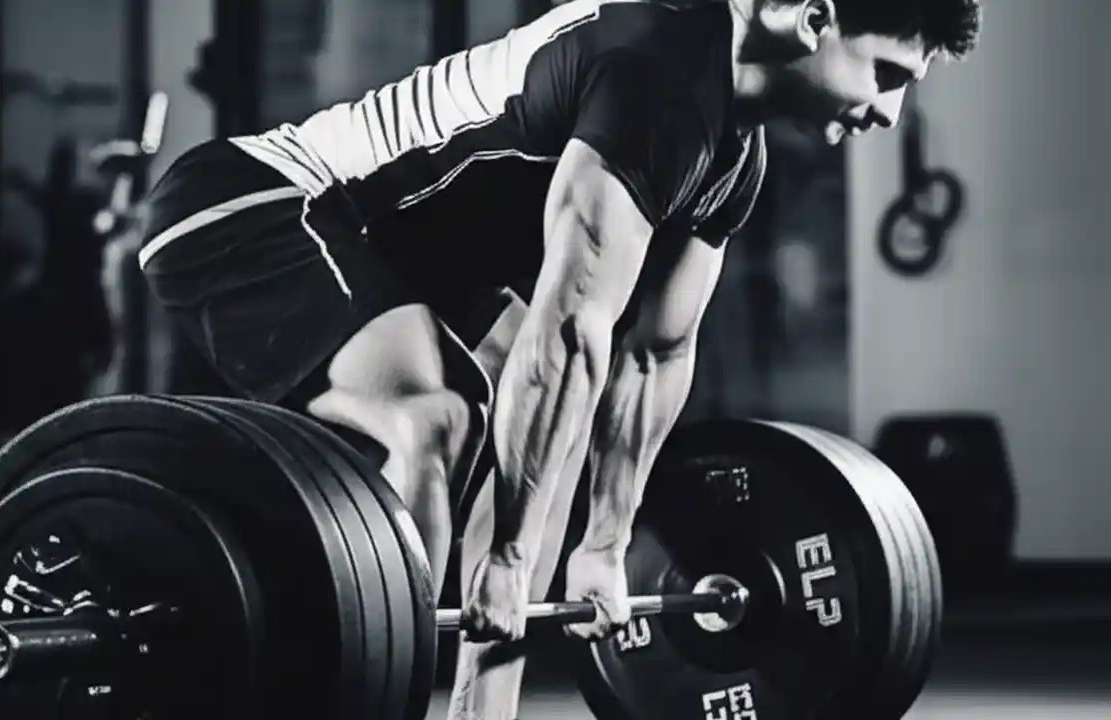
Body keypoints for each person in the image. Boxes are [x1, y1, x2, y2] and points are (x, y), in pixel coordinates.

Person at [137, 0, 982, 717]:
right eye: (887, 76)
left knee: (542, 443)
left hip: (394, 258)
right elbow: (573, 329)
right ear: (815, 18)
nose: (888, 115)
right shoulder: (656, 71)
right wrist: (503, 563)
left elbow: (652, 356)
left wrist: (607, 545)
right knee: (434, 421)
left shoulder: (733, 159)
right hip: (256, 199)